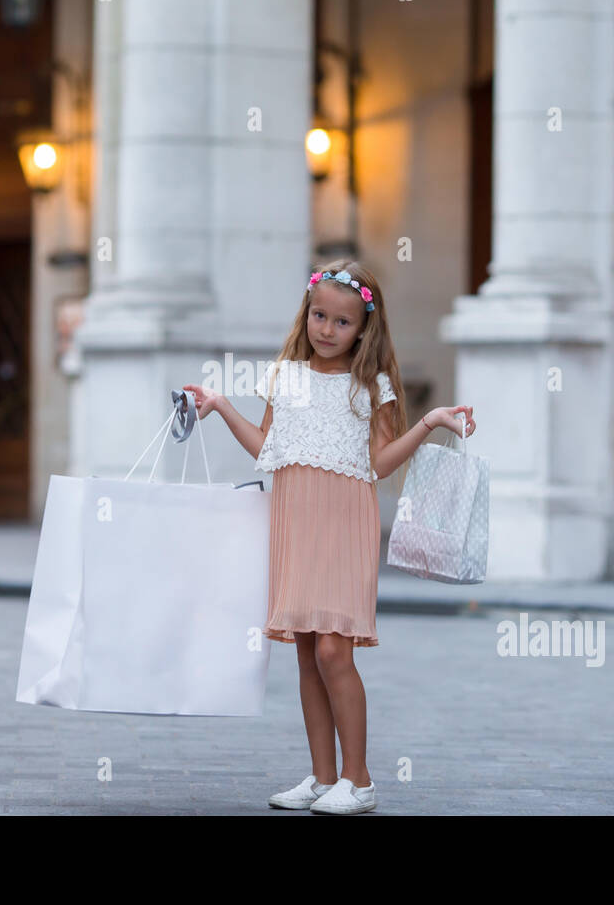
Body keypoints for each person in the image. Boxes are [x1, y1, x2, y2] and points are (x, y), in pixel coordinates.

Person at [182, 259, 475, 815]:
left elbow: (381, 463)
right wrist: (220, 407)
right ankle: (321, 778)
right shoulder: (286, 376)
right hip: (295, 522)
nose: (326, 329)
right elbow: (267, 447)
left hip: (344, 526)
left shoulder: (372, 385)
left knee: (336, 649)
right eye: (319, 316)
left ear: (363, 327)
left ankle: (358, 780)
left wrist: (430, 421)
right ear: (306, 314)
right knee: (309, 652)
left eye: (341, 322)